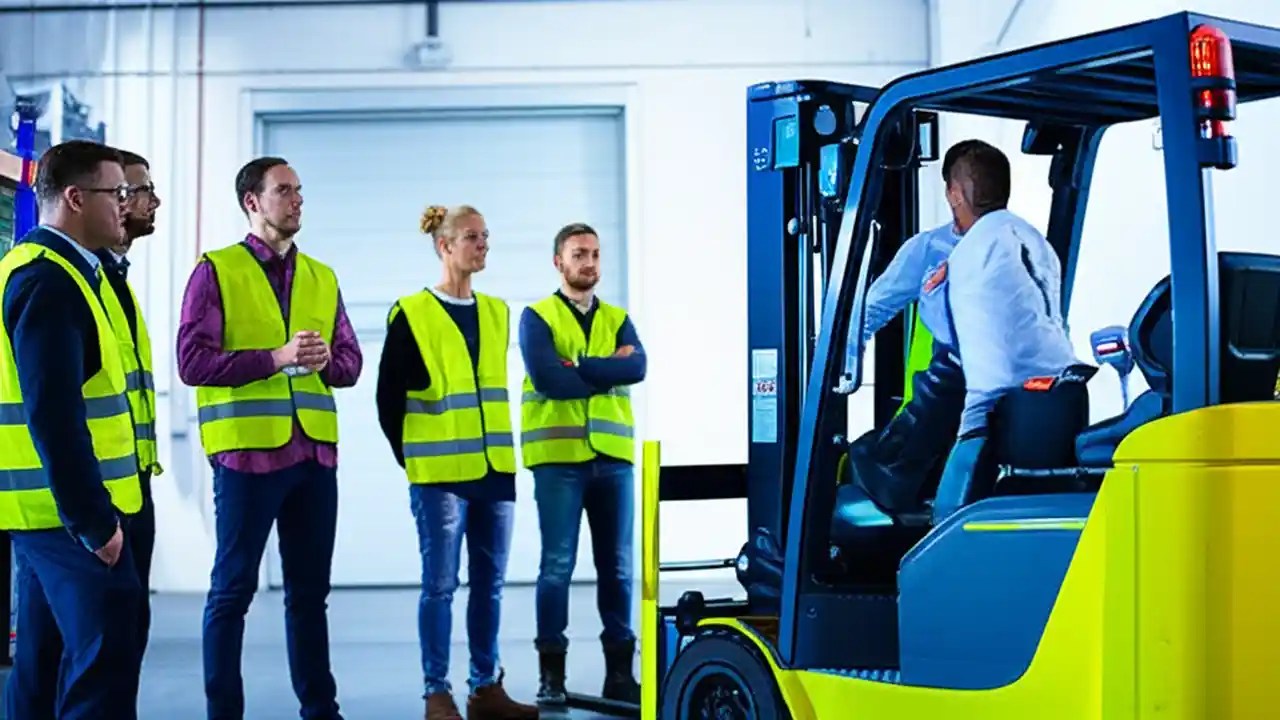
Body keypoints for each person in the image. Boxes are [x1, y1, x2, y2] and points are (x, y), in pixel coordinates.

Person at [176, 156, 362, 720]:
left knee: (310, 597)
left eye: (300, 191)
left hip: (312, 457)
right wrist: (275, 359)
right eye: (285, 191)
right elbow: (192, 361)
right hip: (247, 459)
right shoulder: (217, 271)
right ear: (252, 202)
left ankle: (321, 710)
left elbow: (351, 363)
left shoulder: (322, 276)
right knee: (232, 593)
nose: (297, 200)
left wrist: (327, 361)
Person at [10, 147, 166, 719]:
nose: (126, 206)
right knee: (103, 667)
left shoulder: (75, 274)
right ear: (76, 199)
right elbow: (54, 414)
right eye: (115, 195)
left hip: (56, 514)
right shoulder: (50, 283)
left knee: (43, 665)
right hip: (69, 518)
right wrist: (95, 523)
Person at [375, 204, 538, 720]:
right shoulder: (412, 312)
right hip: (440, 476)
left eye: (486, 235)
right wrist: (416, 462)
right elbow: (388, 399)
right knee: (440, 587)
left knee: (489, 586)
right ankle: (436, 692)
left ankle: (485, 688)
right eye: (472, 236)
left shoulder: (496, 310)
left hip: (495, 471)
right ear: (445, 246)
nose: (483, 244)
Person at [519, 222, 645, 707]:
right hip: (558, 461)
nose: (588, 263)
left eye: (594, 254)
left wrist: (582, 367)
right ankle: (552, 676)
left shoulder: (617, 316)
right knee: (557, 567)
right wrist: (605, 366)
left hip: (613, 462)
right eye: (578, 254)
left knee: (617, 567)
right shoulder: (538, 316)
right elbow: (550, 380)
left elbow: (637, 368)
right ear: (559, 262)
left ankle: (619, 676)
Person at [931, 140, 1080, 520]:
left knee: (943, 517)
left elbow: (948, 336)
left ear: (955, 194)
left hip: (991, 413)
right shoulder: (1035, 241)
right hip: (1058, 401)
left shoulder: (966, 254)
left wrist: (930, 292)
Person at [840, 140, 989, 514]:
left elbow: (870, 311)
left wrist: (833, 373)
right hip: (949, 403)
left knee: (860, 465)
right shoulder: (1020, 244)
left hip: (944, 400)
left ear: (951, 193)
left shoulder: (935, 250)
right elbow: (869, 313)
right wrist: (843, 365)